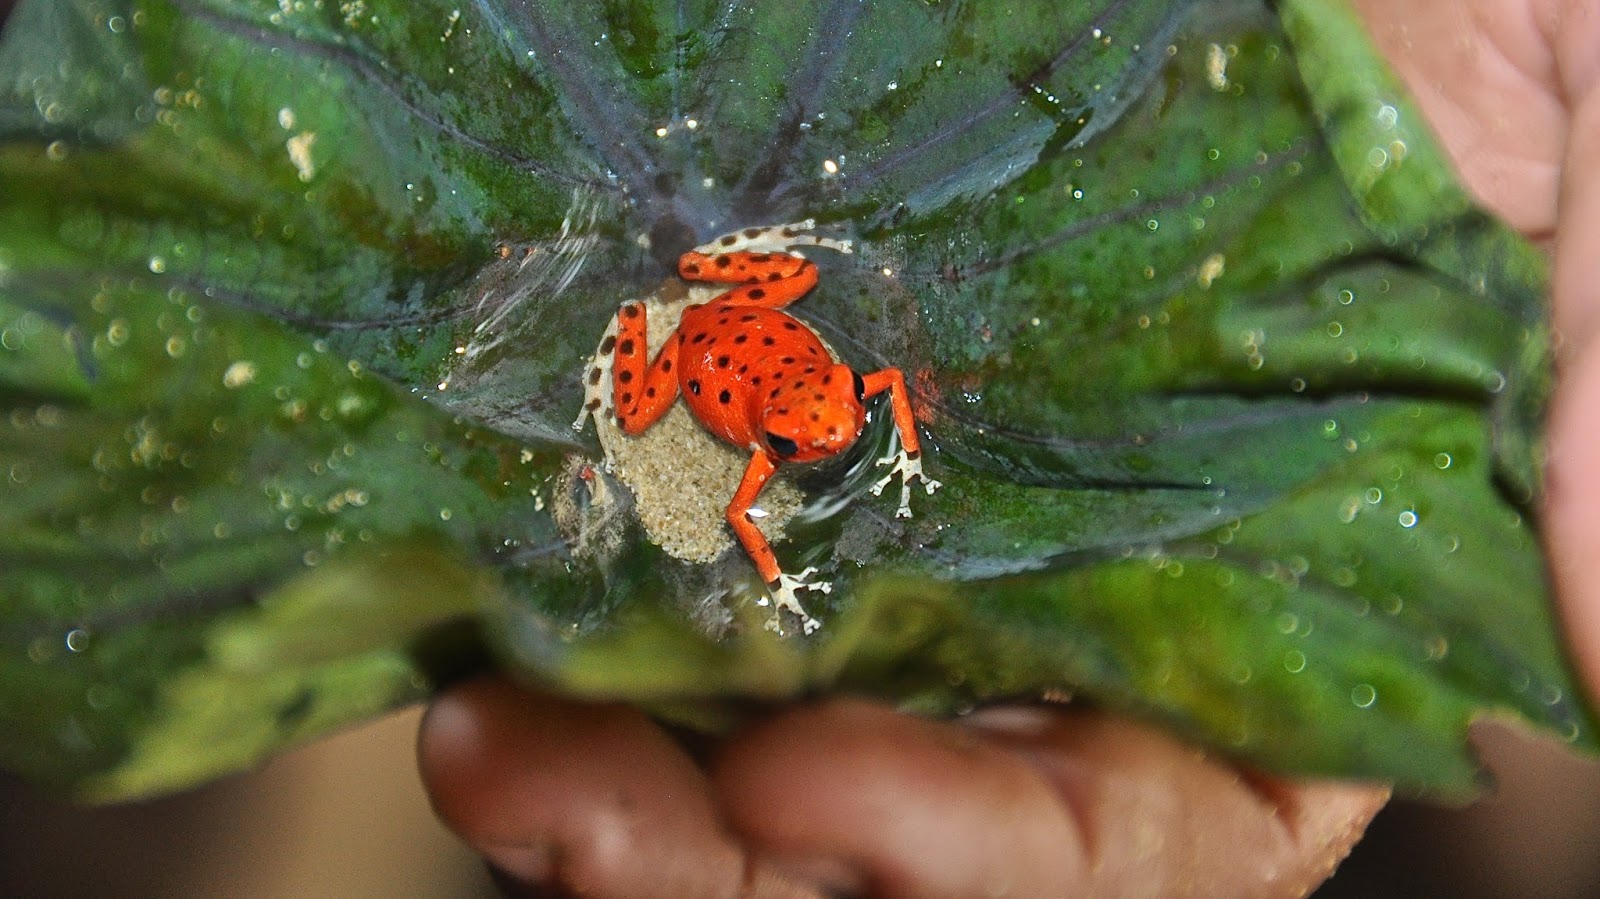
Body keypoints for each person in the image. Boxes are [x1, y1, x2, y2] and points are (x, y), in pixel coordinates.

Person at [417, 2, 1600, 894]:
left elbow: (879, 386)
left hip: (765, 340)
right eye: (811, 430)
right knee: (627, 455)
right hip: (707, 349)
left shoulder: (846, 393)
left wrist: (892, 423)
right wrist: (776, 569)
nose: (834, 431)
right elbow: (746, 507)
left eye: (836, 415)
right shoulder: (771, 442)